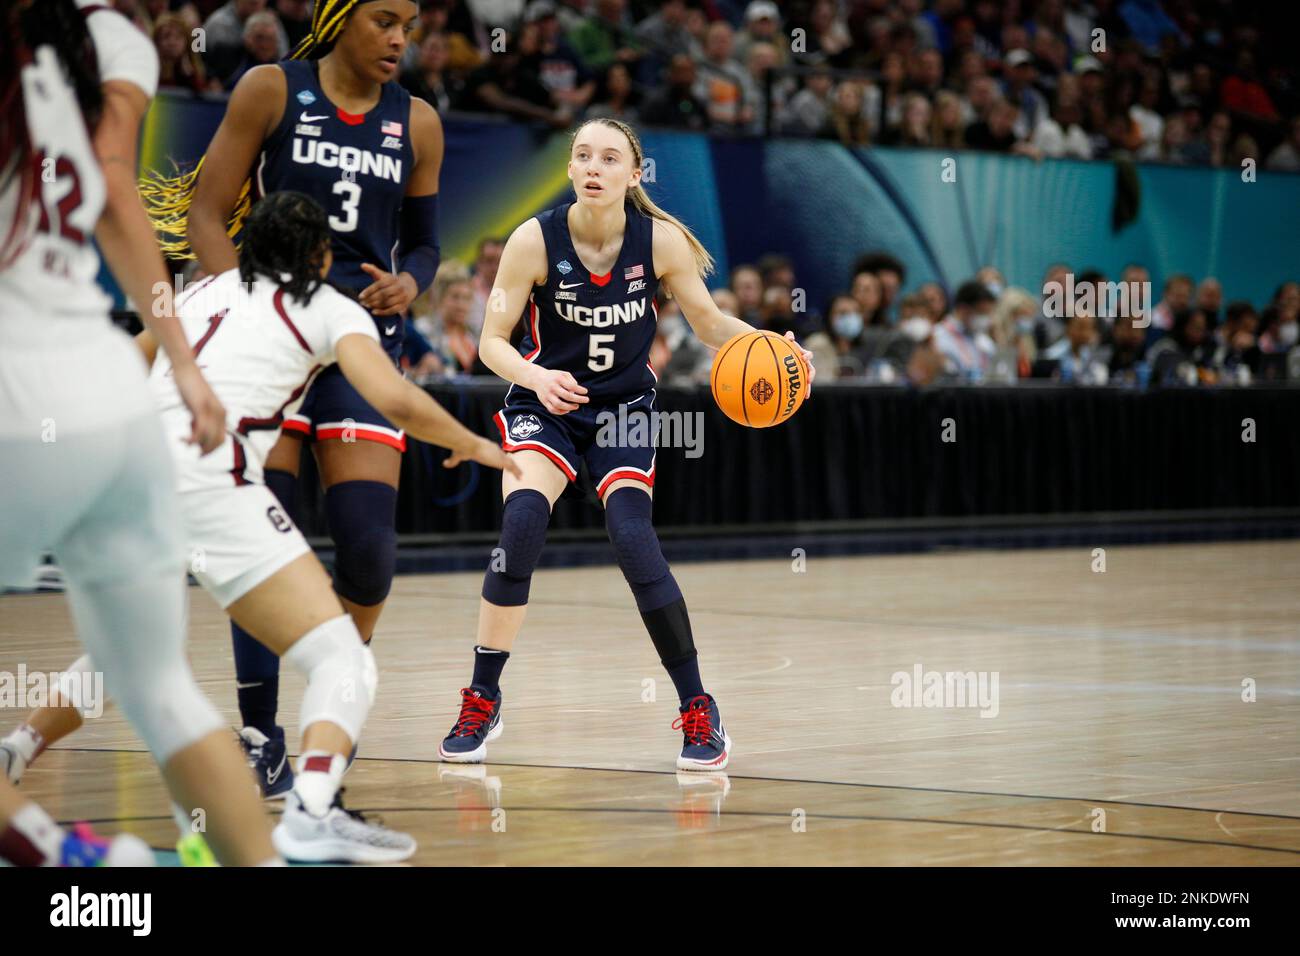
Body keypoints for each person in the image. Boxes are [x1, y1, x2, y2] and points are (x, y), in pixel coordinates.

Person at [2, 193, 519, 861]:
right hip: (208, 483)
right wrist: (474, 444)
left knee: (140, 655)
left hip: (123, 479)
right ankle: (308, 809)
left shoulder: (202, 292)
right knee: (342, 658)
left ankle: (16, 750)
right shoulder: (330, 305)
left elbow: (126, 362)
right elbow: (392, 397)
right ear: (321, 257)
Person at [435, 118, 814, 770]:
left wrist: (774, 344)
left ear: (633, 174)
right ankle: (484, 694)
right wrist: (535, 376)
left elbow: (709, 321)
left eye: (609, 158)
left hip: (625, 409)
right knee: (522, 520)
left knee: (632, 535)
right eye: (583, 155)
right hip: (546, 404)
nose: (593, 166)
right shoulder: (534, 239)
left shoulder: (658, 241)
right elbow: (492, 341)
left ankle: (699, 708)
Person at [142, 0, 445, 797]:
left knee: (370, 553)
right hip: (272, 334)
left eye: (408, 25)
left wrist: (413, 280)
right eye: (384, 19)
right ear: (341, 15)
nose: (399, 39)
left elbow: (424, 240)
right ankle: (259, 736)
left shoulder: (418, 122)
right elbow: (208, 214)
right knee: (264, 538)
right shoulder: (272, 89)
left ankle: (334, 692)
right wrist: (248, 301)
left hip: (354, 340)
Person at [0, 0, 277, 866]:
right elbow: (116, 193)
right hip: (112, 390)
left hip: (18, 393)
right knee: (162, 688)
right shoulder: (110, 36)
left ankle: (70, 858)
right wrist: (186, 368)